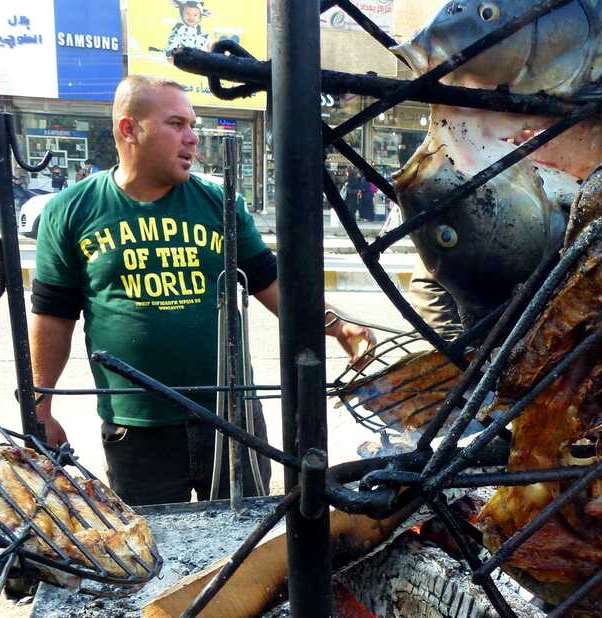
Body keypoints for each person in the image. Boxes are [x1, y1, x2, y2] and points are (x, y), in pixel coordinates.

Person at [30, 75, 376, 506]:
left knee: (246, 537)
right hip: (138, 426)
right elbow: (53, 316)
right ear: (128, 129)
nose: (192, 138)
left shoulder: (219, 202)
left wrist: (338, 327)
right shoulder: (71, 210)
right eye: (176, 124)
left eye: (193, 125)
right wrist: (39, 406)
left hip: (231, 415)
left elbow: (271, 282)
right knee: (157, 552)